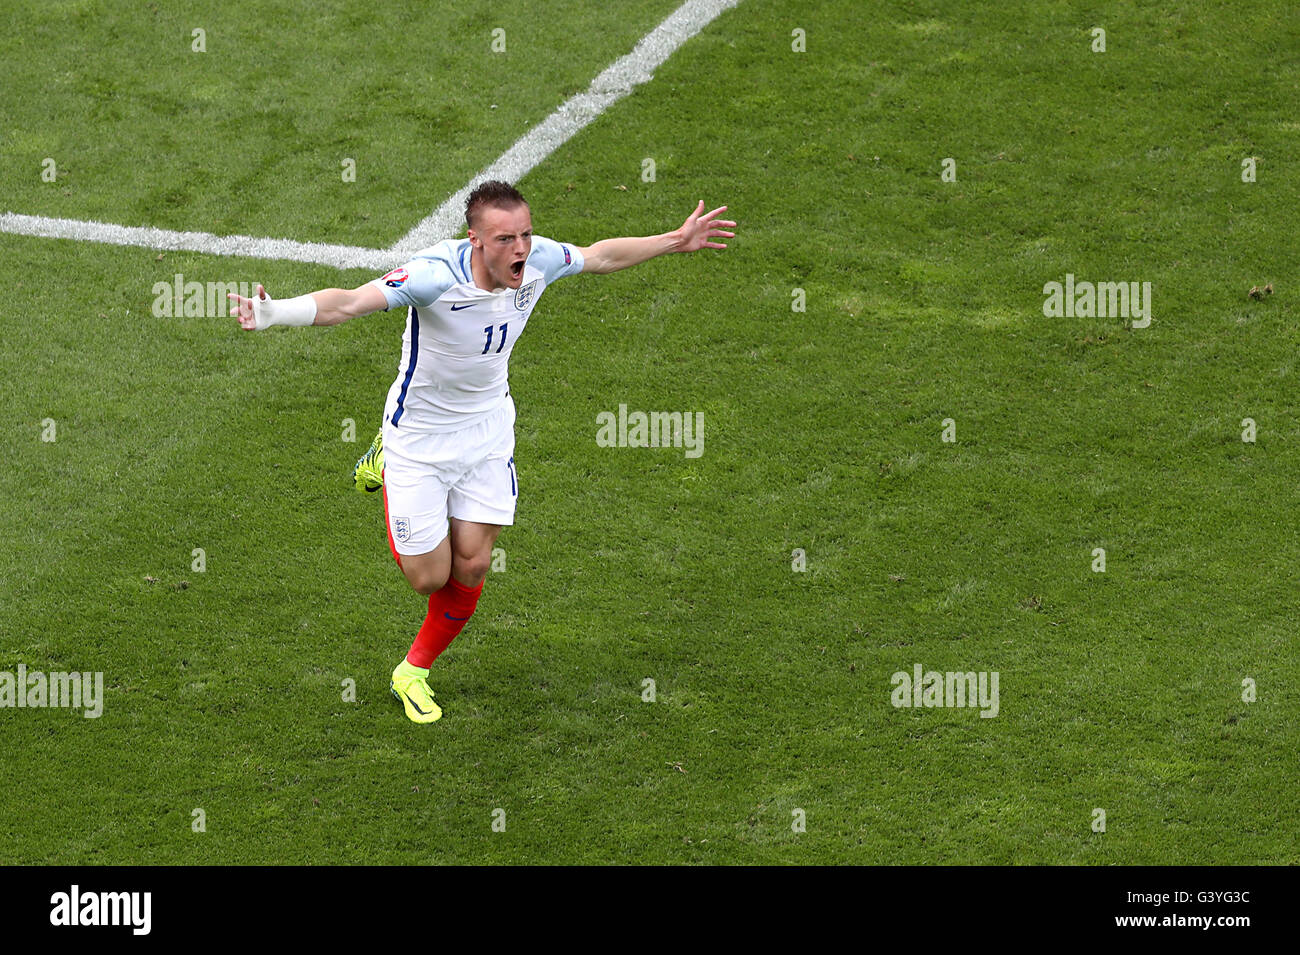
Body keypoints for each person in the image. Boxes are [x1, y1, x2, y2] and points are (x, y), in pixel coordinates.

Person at [229, 180, 735, 723]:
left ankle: (412, 671)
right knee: (427, 577)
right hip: (418, 439)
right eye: (504, 239)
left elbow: (599, 255)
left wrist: (673, 240)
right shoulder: (432, 276)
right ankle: (385, 461)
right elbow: (349, 303)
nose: (520, 248)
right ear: (475, 241)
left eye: (525, 234)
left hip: (487, 432)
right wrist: (276, 312)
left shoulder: (538, 260)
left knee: (471, 566)